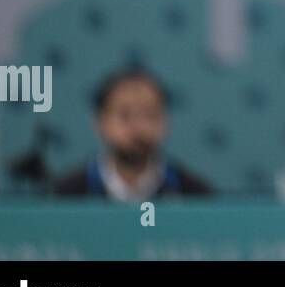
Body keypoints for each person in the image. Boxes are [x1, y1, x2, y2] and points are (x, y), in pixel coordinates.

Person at [51, 67, 211, 200]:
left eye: (149, 115)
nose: (138, 127)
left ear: (165, 122)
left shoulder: (195, 196)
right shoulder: (66, 196)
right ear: (100, 122)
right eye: (125, 115)